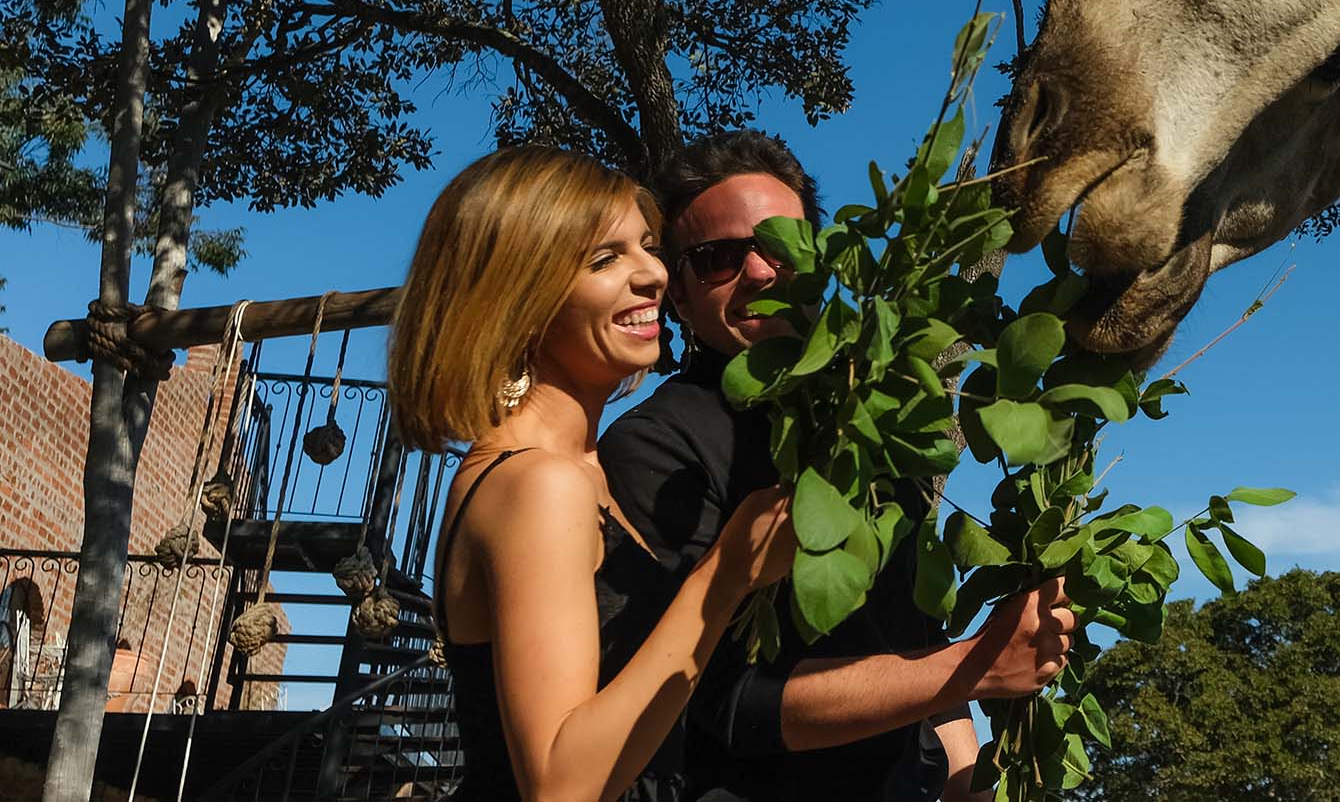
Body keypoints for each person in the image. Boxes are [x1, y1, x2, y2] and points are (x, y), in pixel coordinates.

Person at [601, 130, 1076, 802]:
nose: (760, 272)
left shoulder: (872, 424)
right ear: (677, 293)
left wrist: (970, 785)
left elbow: (915, 637)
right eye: (718, 258)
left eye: (783, 247)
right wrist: (974, 668)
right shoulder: (655, 447)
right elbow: (722, 703)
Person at [386, 144, 797, 802]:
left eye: (647, 248)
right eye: (605, 260)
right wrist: (726, 575)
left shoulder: (573, 468)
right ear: (517, 297)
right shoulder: (538, 484)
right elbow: (560, 784)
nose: (654, 275)